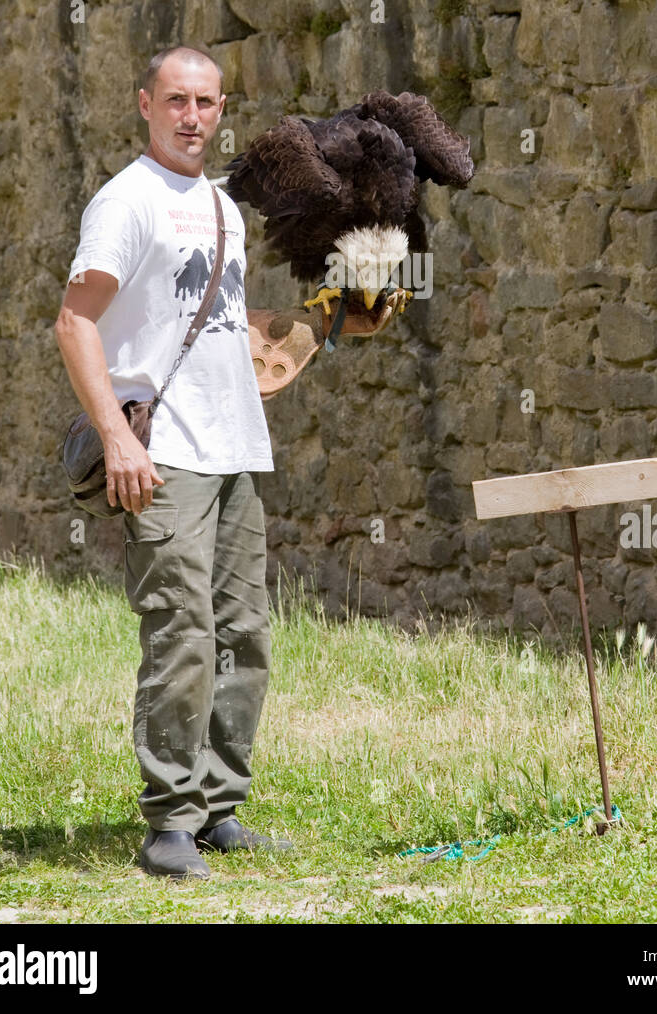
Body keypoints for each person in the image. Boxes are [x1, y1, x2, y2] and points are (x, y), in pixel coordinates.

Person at [54, 45, 403, 879]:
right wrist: (118, 438)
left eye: (206, 103)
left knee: (245, 635)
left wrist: (331, 320)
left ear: (221, 108)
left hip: (236, 447)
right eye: (175, 100)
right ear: (146, 104)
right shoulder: (125, 203)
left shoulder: (222, 208)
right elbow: (76, 322)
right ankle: (169, 824)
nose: (191, 117)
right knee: (183, 633)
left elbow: (217, 331)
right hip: (162, 454)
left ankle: (218, 809)